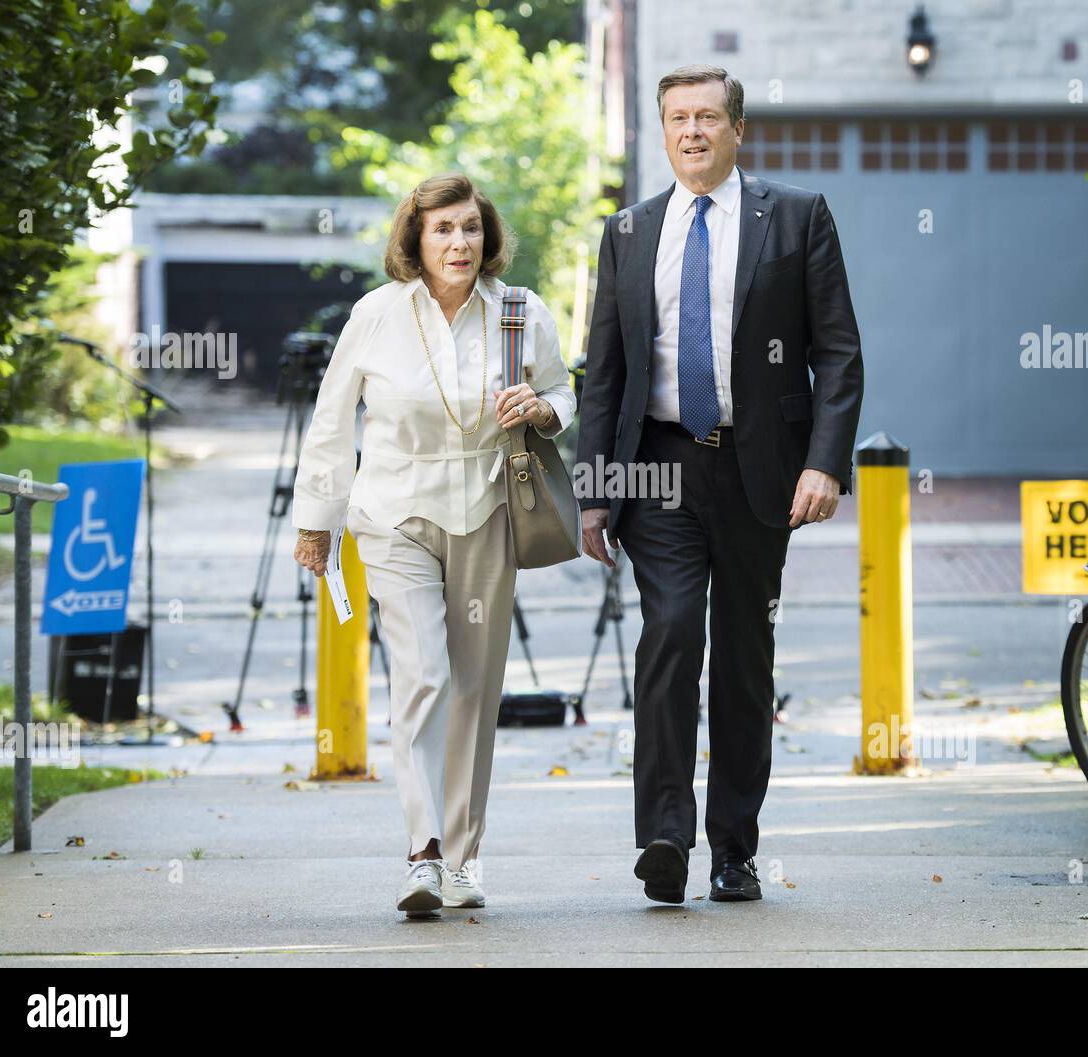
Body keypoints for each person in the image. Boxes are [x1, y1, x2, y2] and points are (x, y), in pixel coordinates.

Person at [576, 64, 864, 904]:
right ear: (662, 132)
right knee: (669, 632)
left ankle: (733, 848)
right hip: (659, 465)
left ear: (738, 129)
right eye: (677, 118)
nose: (692, 130)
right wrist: (596, 490)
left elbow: (837, 351)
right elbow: (605, 371)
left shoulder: (797, 219)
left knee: (744, 655)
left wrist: (823, 461)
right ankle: (664, 834)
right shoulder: (629, 232)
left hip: (758, 469)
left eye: (707, 116)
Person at [291, 172, 576, 916]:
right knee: (424, 675)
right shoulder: (378, 315)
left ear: (489, 237)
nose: (459, 242)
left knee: (475, 687)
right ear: (415, 238)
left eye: (471, 228)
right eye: (443, 229)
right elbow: (331, 419)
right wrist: (316, 520)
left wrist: (543, 407)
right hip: (392, 511)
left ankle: (465, 857)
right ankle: (423, 853)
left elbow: (564, 390)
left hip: (486, 507)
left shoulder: (519, 311)